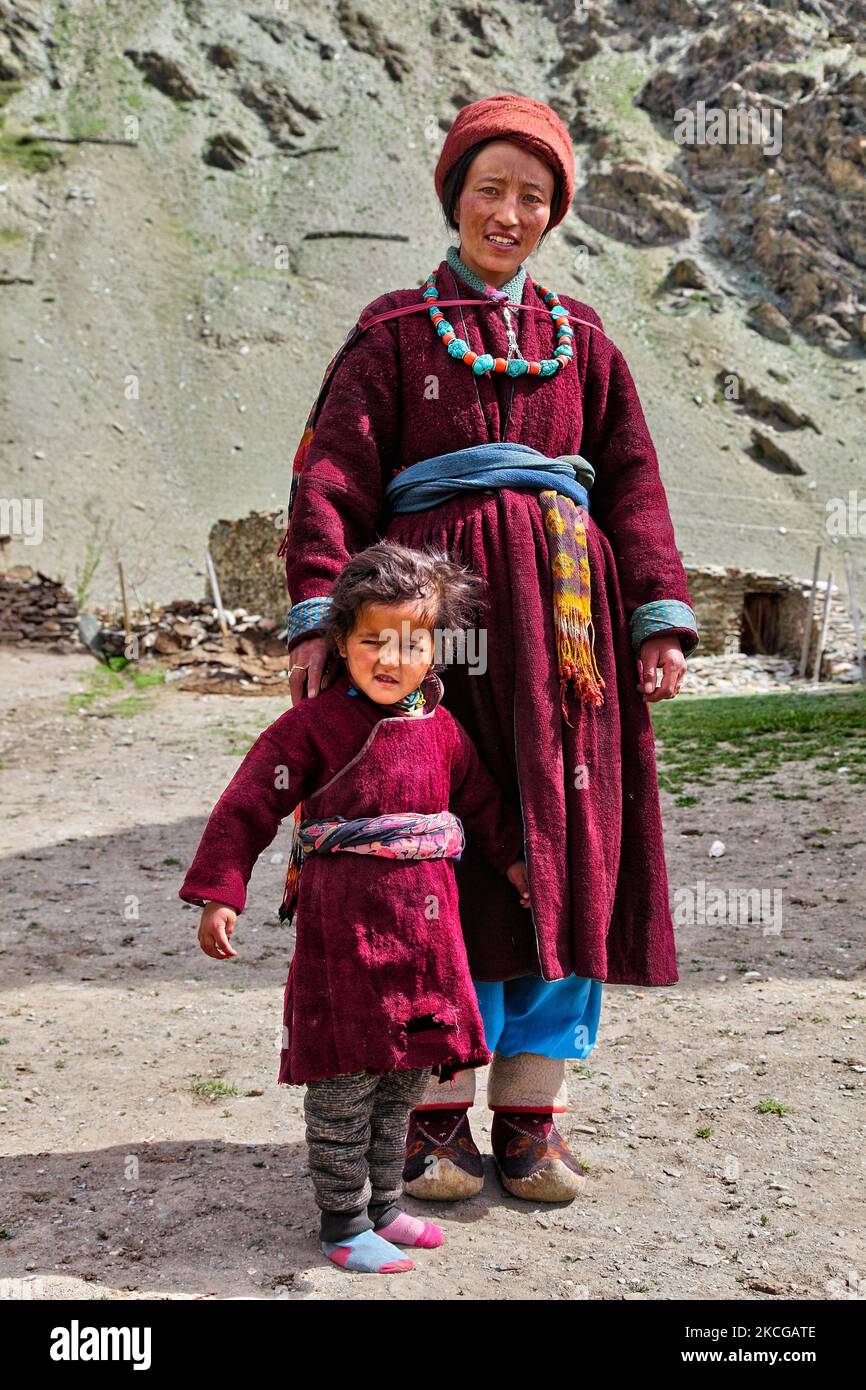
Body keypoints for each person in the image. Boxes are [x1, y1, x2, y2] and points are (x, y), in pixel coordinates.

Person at [278, 91, 700, 1203]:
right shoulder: (392, 333)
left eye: (530, 195)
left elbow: (635, 486)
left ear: (553, 211)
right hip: (436, 640)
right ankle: (428, 1119)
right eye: (488, 191)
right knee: (442, 851)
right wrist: (322, 615)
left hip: (571, 648)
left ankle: (530, 1118)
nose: (507, 214)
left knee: (568, 850)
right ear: (452, 199)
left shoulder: (586, 342)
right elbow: (330, 479)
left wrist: (656, 615)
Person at [178, 542, 530, 1273]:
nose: (392, 657)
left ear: (435, 644)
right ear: (340, 642)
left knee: (400, 1080)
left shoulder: (442, 728)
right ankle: (342, 1224)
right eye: (373, 639)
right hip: (344, 941)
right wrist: (220, 891)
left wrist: (516, 862)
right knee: (344, 1086)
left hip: (425, 944)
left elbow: (485, 806)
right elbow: (249, 805)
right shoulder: (310, 730)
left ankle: (385, 1211)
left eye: (412, 640)